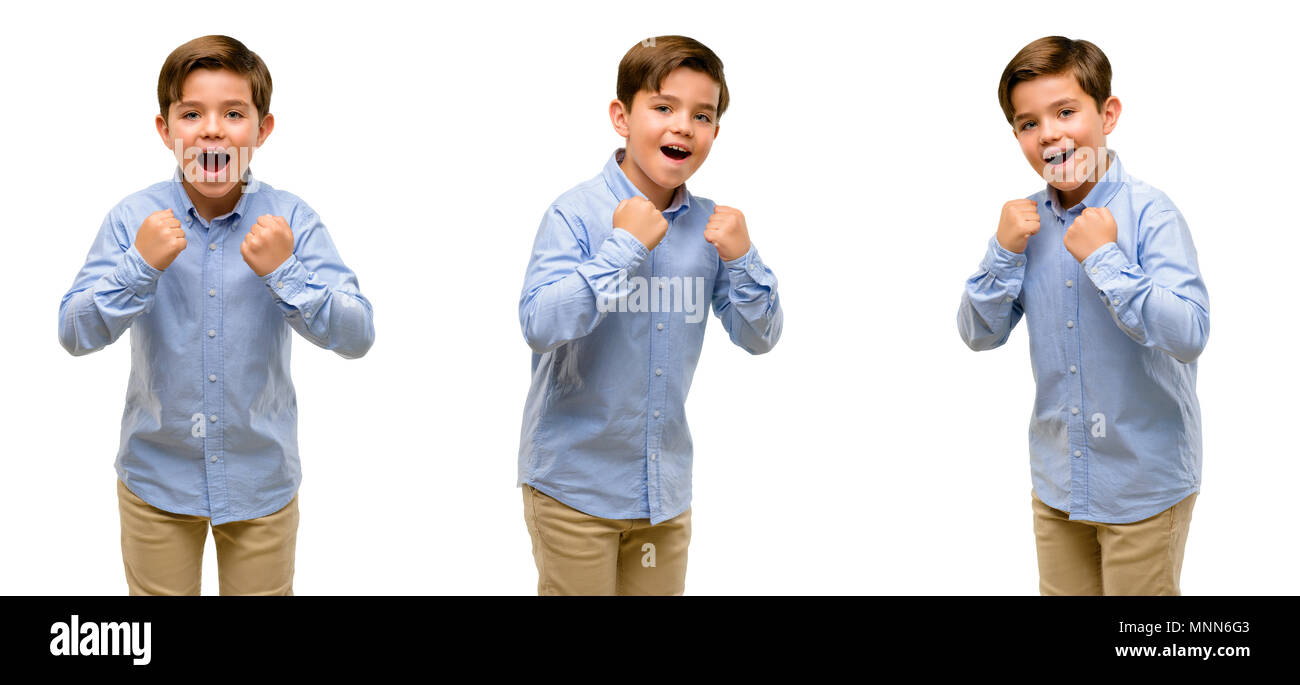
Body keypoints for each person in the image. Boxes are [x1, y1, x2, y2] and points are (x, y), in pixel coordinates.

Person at [58, 35, 375, 595]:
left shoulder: (292, 220)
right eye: (191, 113)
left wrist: (285, 272)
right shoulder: (133, 218)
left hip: (261, 483)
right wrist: (140, 266)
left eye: (233, 113)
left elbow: (358, 334)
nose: (211, 129)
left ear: (262, 129)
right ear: (165, 130)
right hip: (156, 480)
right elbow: (74, 332)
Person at [517, 35, 783, 595]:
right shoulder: (576, 214)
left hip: (662, 495)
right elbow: (539, 324)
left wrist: (743, 256)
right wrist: (624, 248)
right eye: (663, 107)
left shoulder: (714, 228)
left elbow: (759, 337)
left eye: (702, 114)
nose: (683, 125)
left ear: (714, 131)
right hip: (574, 490)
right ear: (622, 116)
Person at [958, 36, 1209, 595]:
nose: (1048, 133)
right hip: (1059, 485)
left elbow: (1191, 333)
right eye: (1028, 123)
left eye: (1065, 111)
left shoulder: (1152, 214)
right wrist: (1002, 252)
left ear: (1108, 114)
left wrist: (1105, 258)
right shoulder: (1024, 225)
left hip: (1143, 488)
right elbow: (978, 334)